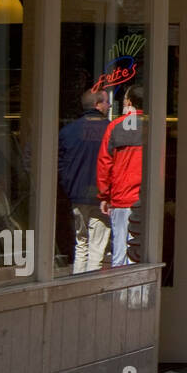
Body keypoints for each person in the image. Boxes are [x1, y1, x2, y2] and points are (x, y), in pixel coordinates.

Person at [58, 89, 109, 272]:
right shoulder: (110, 130)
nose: (109, 105)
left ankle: (76, 287)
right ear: (97, 104)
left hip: (77, 195)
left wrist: (68, 186)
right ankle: (91, 294)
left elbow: (59, 163)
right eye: (106, 102)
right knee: (97, 248)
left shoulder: (68, 131)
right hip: (101, 196)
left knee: (81, 245)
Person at [98, 86, 145, 268]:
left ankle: (119, 294)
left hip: (121, 198)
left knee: (120, 251)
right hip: (143, 199)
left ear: (129, 102)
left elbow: (105, 163)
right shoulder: (153, 127)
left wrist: (104, 195)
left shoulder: (115, 126)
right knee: (141, 254)